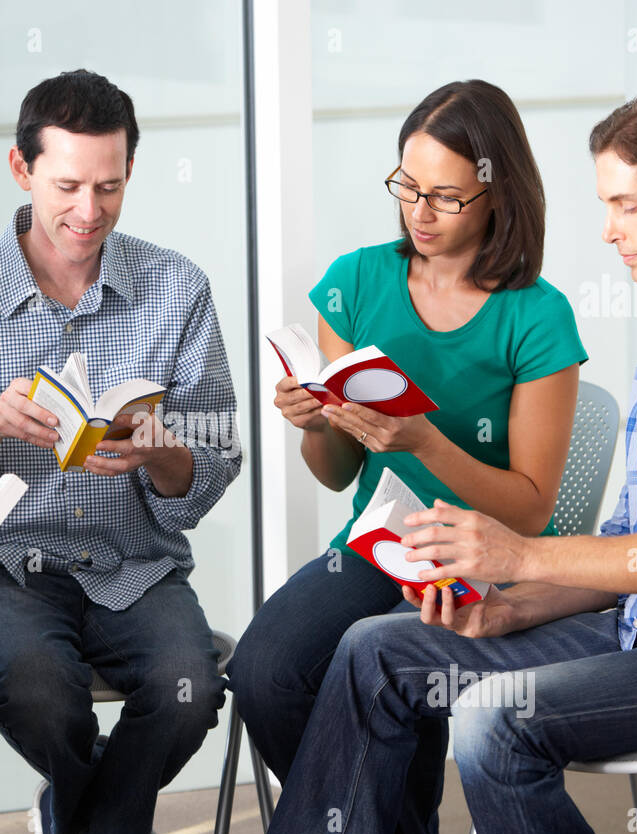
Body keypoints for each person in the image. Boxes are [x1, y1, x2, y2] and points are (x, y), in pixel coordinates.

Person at [256, 81, 637, 834]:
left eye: (628, 206)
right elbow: (632, 549)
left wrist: (521, 560)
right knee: (374, 650)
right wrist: (511, 610)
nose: (608, 231)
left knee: (497, 719)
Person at [0, 69, 241, 834]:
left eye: (110, 187)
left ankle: (81, 833)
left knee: (190, 690)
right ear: (22, 170)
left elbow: (216, 462)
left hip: (136, 566)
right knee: (37, 687)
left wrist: (162, 450)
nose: (89, 212)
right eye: (68, 186)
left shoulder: (177, 288)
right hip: (2, 568)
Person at [229, 79, 587, 794]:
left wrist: (425, 444)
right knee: (265, 671)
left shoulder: (538, 317)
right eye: (407, 186)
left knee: (390, 676)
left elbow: (531, 512)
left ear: (497, 192)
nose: (419, 213)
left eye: (446, 196)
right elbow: (334, 474)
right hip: (376, 544)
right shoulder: (355, 282)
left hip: (482, 556)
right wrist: (316, 421)